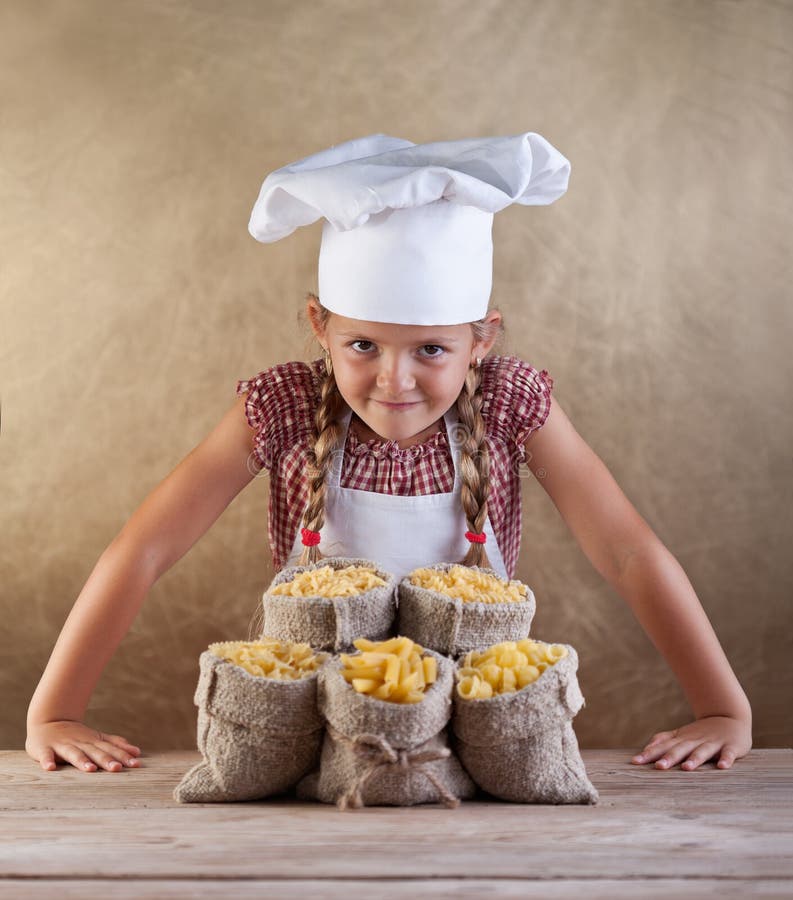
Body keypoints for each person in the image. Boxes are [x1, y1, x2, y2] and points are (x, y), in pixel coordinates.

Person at [26, 132, 752, 777]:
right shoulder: (282, 407)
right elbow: (144, 548)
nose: (392, 380)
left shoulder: (507, 403)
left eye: (431, 349)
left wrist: (722, 707)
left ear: (482, 338)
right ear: (319, 325)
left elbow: (626, 551)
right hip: (319, 723)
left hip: (475, 727)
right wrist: (55, 711)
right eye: (362, 345)